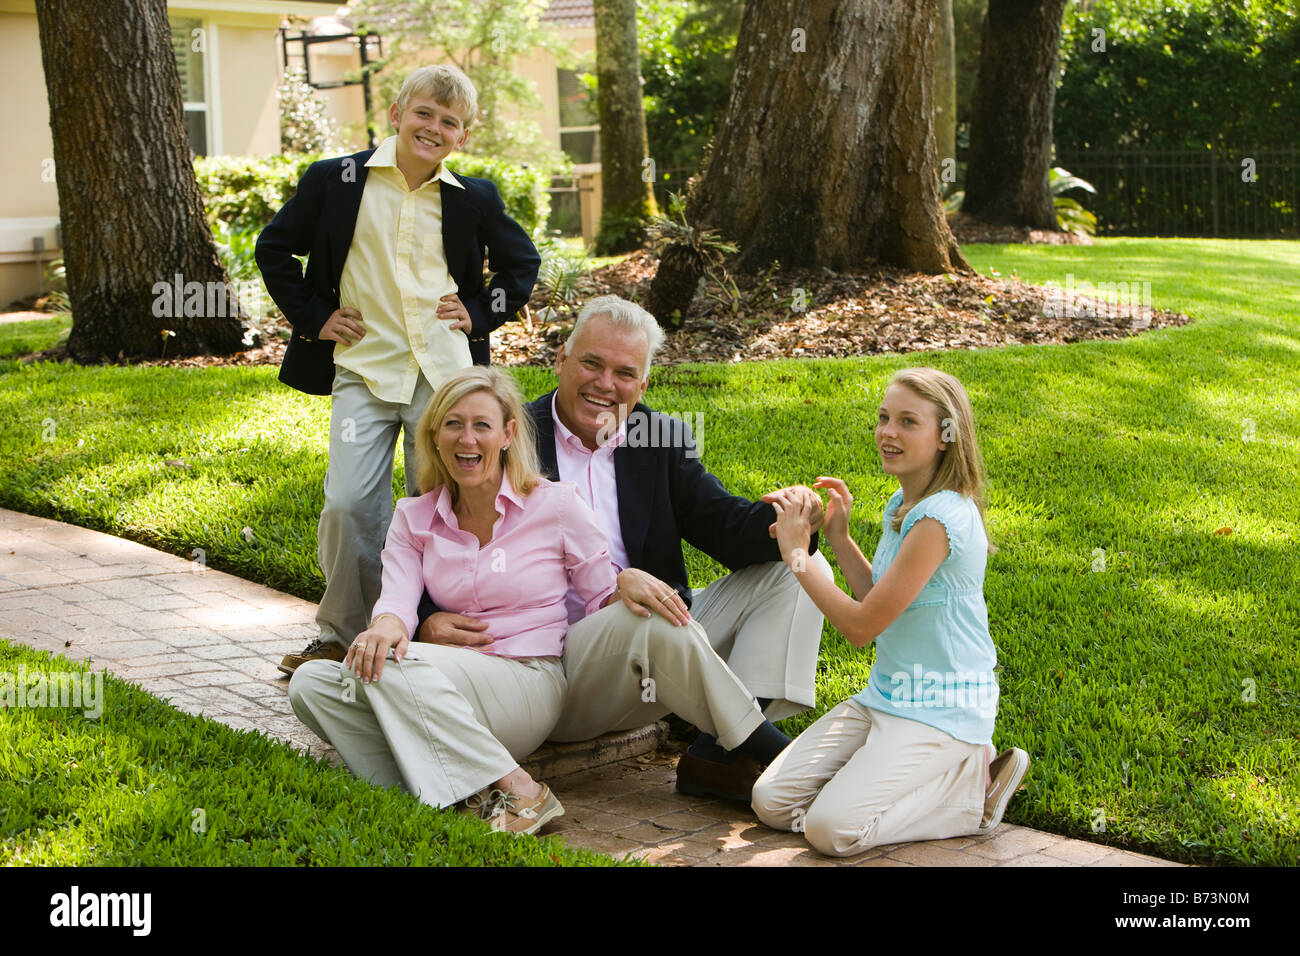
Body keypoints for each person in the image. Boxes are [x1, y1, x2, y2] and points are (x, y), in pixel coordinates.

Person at [415, 295, 834, 802]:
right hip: (554, 662)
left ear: (643, 384)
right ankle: (775, 752)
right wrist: (426, 618)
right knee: (641, 608)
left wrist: (793, 520)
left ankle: (718, 754)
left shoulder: (655, 439)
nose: (605, 384)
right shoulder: (504, 436)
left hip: (656, 654)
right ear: (561, 360)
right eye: (591, 363)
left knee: (800, 569)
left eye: (623, 372)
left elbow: (726, 526)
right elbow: (427, 530)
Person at [256, 64, 540, 677]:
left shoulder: (474, 197)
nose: (433, 128)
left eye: (449, 122)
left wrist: (479, 312)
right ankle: (343, 632)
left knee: (436, 503)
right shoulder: (337, 180)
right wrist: (316, 316)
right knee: (348, 504)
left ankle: (429, 628)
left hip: (442, 375)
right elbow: (274, 247)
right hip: (363, 366)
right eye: (424, 114)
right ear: (396, 114)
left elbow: (521, 265)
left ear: (463, 135)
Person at [289, 367, 621, 834]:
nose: (468, 439)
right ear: (434, 436)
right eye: (453, 424)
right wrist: (387, 624)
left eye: (482, 425)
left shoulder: (556, 504)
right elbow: (398, 602)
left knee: (394, 665)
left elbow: (602, 598)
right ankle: (450, 795)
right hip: (438, 689)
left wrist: (631, 586)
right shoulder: (413, 517)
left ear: (507, 434)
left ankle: (520, 789)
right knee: (311, 683)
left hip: (527, 683)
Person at [752, 367, 1030, 857]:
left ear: (946, 437)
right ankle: (889, 781)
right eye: (884, 418)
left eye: (907, 421)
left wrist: (798, 553)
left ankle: (972, 788)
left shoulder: (940, 519)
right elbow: (876, 600)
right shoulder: (904, 503)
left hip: (943, 709)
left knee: (831, 831)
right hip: (886, 696)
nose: (887, 432)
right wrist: (838, 536)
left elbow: (860, 628)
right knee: (772, 802)